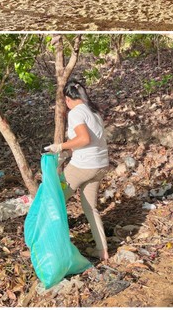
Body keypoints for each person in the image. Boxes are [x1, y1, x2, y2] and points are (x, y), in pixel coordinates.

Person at [43, 80, 111, 261]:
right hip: (100, 166)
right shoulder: (94, 112)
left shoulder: (76, 113)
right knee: (90, 208)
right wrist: (66, 153)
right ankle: (102, 250)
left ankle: (52, 247)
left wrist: (59, 146)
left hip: (83, 166)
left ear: (67, 99)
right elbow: (86, 142)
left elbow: (84, 139)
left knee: (54, 200)